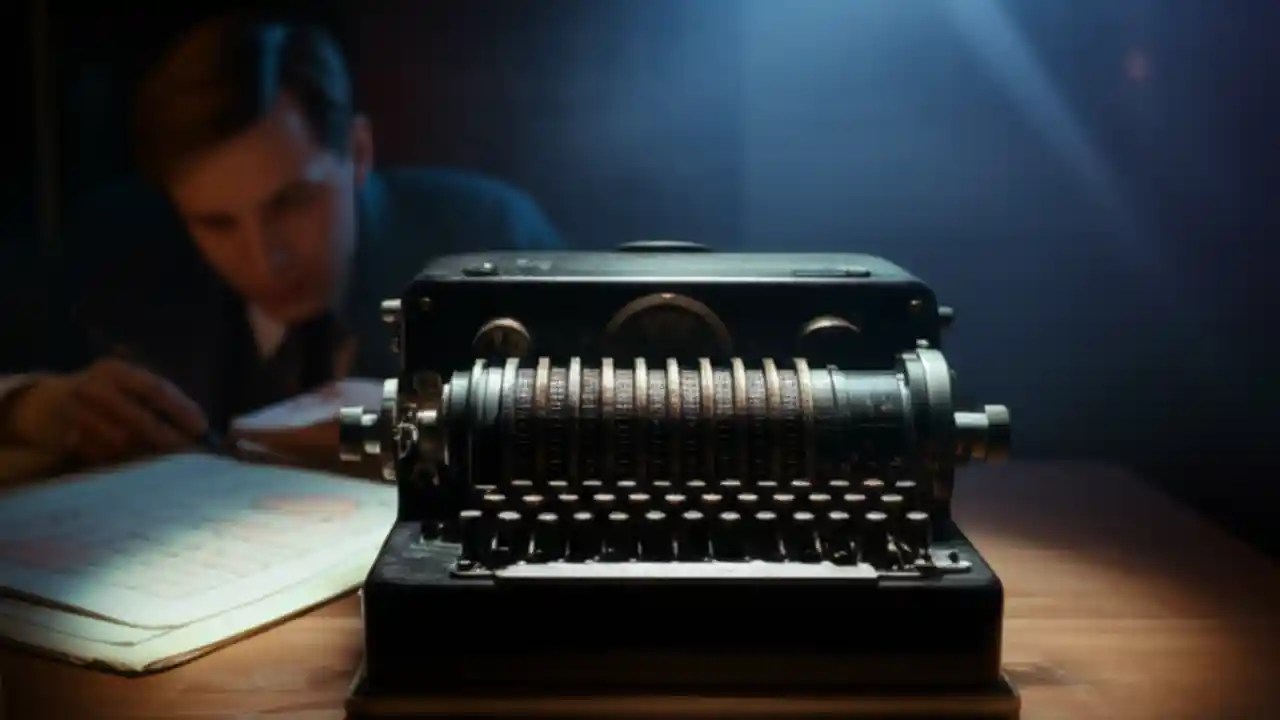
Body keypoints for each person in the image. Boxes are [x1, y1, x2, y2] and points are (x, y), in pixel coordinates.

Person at [0, 15, 562, 473]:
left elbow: (616, 404)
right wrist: (34, 407)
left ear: (359, 153)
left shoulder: (492, 239)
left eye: (293, 202)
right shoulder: (120, 250)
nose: (265, 259)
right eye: (216, 223)